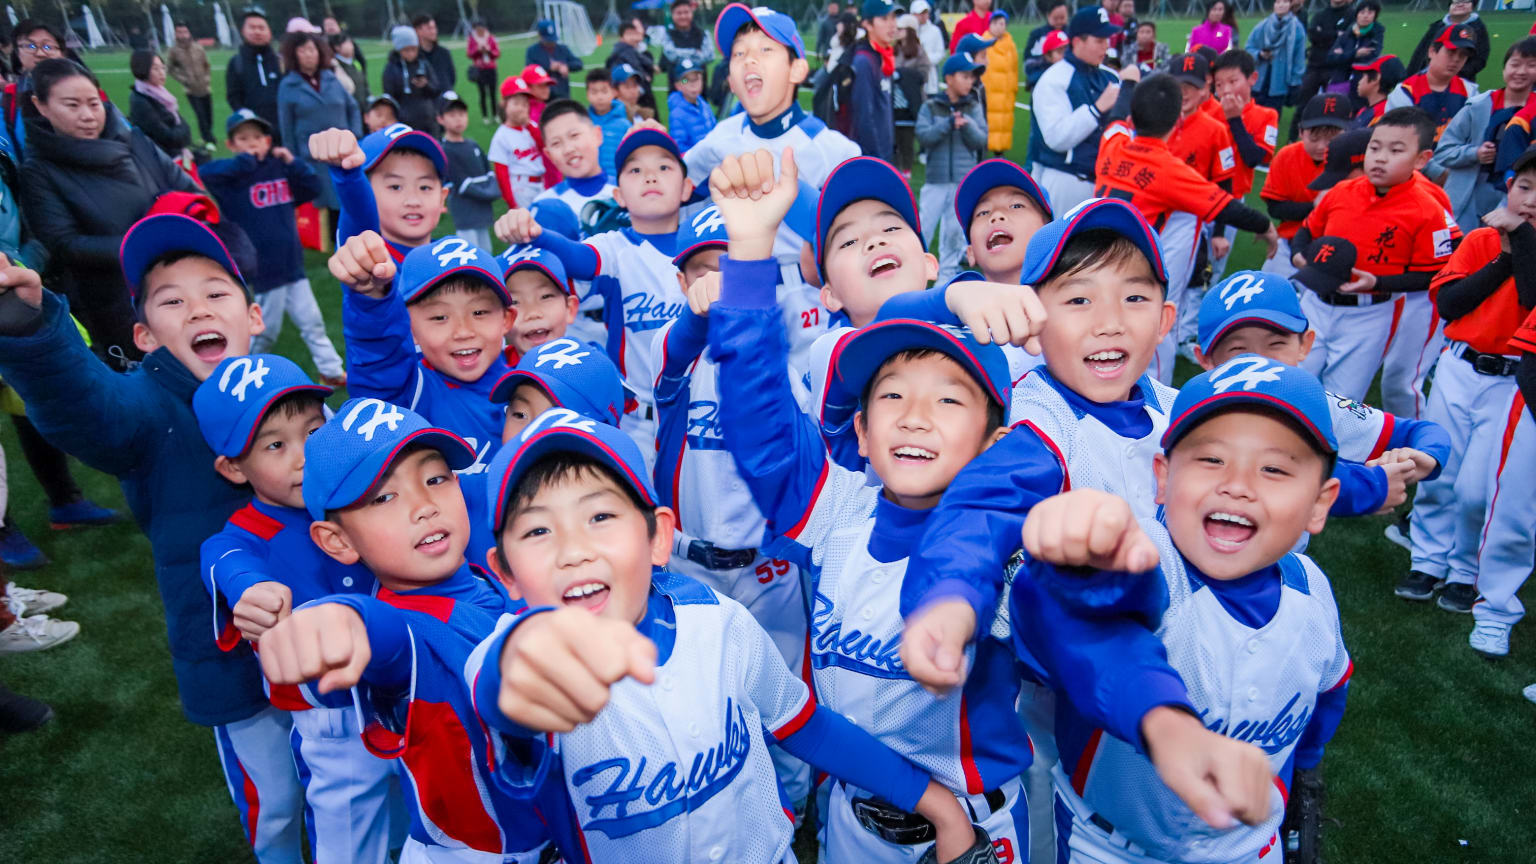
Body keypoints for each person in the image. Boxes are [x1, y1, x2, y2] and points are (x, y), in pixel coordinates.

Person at [0, 212, 308, 859]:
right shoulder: (143, 410)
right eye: (172, 301)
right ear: (144, 335)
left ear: (253, 317)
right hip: (229, 654)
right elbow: (81, 404)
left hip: (318, 630)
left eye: (217, 292)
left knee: (339, 773)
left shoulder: (287, 389)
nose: (198, 308)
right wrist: (29, 327)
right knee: (274, 799)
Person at [1017, 359, 1352, 864]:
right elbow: (1090, 614)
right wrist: (1080, 559)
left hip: (1248, 847)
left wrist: (1304, 775)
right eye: (1211, 460)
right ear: (1163, 476)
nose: (1238, 485)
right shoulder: (1149, 561)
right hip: (1106, 845)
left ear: (1319, 504)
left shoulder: (1314, 591)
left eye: (1275, 469)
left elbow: (1327, 694)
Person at [254, 399, 549, 863]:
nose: (425, 506)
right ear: (338, 542)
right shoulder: (409, 631)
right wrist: (347, 617)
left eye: (435, 479)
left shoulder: (496, 576)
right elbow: (386, 639)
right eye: (384, 497)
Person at [192, 355, 405, 863]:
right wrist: (249, 590)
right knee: (349, 841)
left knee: (415, 820)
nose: (304, 455)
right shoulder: (245, 533)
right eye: (274, 445)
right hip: (331, 716)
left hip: (407, 695)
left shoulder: (358, 492)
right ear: (232, 468)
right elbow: (221, 558)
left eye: (314, 430)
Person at [494, 128, 693, 464]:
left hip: (698, 411)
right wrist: (537, 233)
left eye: (664, 167)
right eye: (635, 170)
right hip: (638, 420)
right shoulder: (615, 247)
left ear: (687, 188)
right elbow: (578, 259)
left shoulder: (705, 249)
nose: (649, 177)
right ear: (618, 195)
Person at [1398, 150, 1536, 616]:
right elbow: (1452, 304)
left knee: (1479, 487)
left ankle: (1465, 568)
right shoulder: (1481, 239)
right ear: (1509, 187)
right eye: (1525, 187)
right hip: (1459, 367)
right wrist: (1505, 254)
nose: (1530, 201)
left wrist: (1523, 247)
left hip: (1512, 380)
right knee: (1439, 470)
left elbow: (1531, 296)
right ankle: (1428, 559)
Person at [1096, 74, 1277, 383]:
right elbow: (1227, 206)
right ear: (1176, 124)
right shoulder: (1168, 169)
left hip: (1099, 256)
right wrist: (1266, 226)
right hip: (1134, 265)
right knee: (1155, 327)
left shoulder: (1112, 142)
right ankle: (1155, 404)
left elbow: (1114, 119)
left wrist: (1127, 84)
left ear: (1131, 119)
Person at [21, 59, 200, 368]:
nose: (88, 116)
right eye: (72, 105)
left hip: (184, 282)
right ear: (41, 106)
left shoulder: (134, 142)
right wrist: (145, 244)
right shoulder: (39, 172)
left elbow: (189, 190)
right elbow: (65, 244)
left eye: (93, 103)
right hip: (118, 304)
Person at [1289, 108, 1459, 406]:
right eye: (1375, 147)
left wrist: (1377, 280)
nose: (1380, 157)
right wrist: (1299, 256)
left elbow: (1432, 274)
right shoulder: (1342, 191)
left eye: (1396, 150)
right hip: (1316, 301)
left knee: (1341, 399)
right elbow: (1306, 232)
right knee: (1291, 381)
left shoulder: (1427, 210)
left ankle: (1327, 451)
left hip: (1370, 312)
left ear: (1422, 159)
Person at [201, 109, 344, 387]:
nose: (252, 143)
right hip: (264, 267)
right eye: (243, 138)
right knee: (266, 331)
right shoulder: (232, 178)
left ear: (268, 141)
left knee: (311, 321)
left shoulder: (279, 168)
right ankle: (237, 373)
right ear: (231, 145)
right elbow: (205, 174)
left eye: (257, 137)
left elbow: (312, 186)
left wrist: (293, 163)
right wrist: (243, 163)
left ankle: (331, 370)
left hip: (292, 262)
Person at [1028, 6, 1127, 215]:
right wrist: (1097, 109)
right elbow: (1056, 138)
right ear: (1077, 42)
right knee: (1061, 246)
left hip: (1106, 182)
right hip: (1068, 181)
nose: (1106, 47)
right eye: (1099, 41)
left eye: (1107, 40)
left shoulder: (1110, 76)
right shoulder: (1053, 79)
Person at [1433, 39, 1536, 233]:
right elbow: (1442, 152)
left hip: (1515, 203)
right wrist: (1474, 153)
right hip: (1466, 199)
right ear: (1504, 69)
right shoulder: (1478, 106)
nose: (1521, 71)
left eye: (1531, 65)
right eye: (1515, 64)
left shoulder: (1534, 113)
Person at [1260, 93, 1351, 275]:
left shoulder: (1355, 162)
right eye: (1314, 138)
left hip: (1334, 249)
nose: (1321, 146)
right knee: (1265, 295)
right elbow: (1275, 208)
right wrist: (1316, 207)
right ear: (1301, 132)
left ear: (1347, 134)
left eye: (1331, 140)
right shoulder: (1287, 155)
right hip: (1288, 242)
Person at [917, 53, 989, 281]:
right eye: (965, 76)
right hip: (935, 181)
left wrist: (965, 126)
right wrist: (948, 124)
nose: (970, 81)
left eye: (972, 77)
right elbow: (923, 135)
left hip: (962, 182)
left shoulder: (973, 107)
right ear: (948, 78)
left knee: (954, 235)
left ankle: (946, 283)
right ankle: (916, 276)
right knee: (923, 232)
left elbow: (981, 139)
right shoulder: (931, 106)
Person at [278, 31, 361, 217]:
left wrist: (355, 134)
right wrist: (292, 161)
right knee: (323, 203)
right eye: (303, 50)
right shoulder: (288, 85)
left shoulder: (331, 78)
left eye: (312, 49)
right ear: (293, 54)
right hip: (312, 157)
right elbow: (287, 126)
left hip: (342, 151)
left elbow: (353, 107)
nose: (309, 54)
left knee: (347, 198)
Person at [1384, 26, 1478, 145]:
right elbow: (1397, 141)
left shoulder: (1470, 92)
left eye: (1463, 55)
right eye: (1451, 52)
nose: (1456, 59)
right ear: (1432, 51)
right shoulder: (1405, 92)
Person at [1292, 0, 1354, 137]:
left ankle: (1330, 140)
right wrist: (1335, 35)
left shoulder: (1352, 15)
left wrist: (1325, 34)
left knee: (1332, 108)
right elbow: (1313, 34)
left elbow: (1347, 38)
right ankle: (1292, 138)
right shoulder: (1320, 14)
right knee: (1303, 105)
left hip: (1337, 69)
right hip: (1315, 66)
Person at [851, 0, 898, 162]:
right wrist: (877, 161)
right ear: (867, 24)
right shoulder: (864, 61)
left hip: (885, 154)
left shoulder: (883, 56)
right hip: (873, 159)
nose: (892, 25)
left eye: (893, 18)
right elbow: (864, 117)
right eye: (885, 19)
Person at [489, 78, 545, 210]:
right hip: (521, 187)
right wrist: (512, 203)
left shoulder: (531, 127)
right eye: (516, 103)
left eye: (525, 104)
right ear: (504, 104)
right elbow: (501, 174)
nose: (521, 108)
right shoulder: (501, 136)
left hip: (540, 183)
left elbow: (543, 145)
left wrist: (530, 125)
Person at [128, 51, 193, 160]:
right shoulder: (141, 101)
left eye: (163, 68)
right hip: (162, 158)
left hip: (174, 153)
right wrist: (183, 133)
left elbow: (181, 124)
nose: (162, 73)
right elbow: (167, 137)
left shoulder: (160, 94)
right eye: (156, 69)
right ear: (143, 69)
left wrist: (182, 132)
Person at [226, 8, 282, 133]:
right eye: (252, 27)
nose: (257, 31)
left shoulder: (280, 61)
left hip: (284, 127)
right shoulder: (236, 63)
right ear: (243, 31)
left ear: (269, 32)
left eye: (261, 28)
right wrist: (248, 118)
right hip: (254, 131)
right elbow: (233, 97)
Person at [1245, 0, 1307, 112]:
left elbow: (1299, 59)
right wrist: (1259, 54)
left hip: (1279, 82)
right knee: (1253, 117)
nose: (1281, 5)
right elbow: (1248, 49)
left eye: (1284, 2)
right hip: (1259, 80)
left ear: (1290, 5)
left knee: (1272, 120)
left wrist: (1295, 82)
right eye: (1278, 2)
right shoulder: (1262, 26)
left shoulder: (1297, 29)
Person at [1407, 0, 1489, 84]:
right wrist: (1410, 76)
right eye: (1456, 2)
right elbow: (1420, 53)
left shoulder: (1476, 29)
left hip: (1457, 82)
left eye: (1465, 2)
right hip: (1426, 78)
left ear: (1472, 6)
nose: (1460, 5)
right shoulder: (1437, 26)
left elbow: (1480, 58)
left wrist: (1455, 76)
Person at [383, 25, 441, 137]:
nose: (411, 53)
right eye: (406, 50)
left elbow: (436, 89)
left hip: (428, 121)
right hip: (405, 122)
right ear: (399, 50)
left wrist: (425, 85)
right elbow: (389, 97)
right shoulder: (392, 68)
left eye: (414, 49)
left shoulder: (424, 64)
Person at [166, 21, 215, 149]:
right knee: (200, 115)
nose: (182, 35)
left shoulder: (198, 48)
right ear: (176, 34)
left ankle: (208, 135)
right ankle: (208, 139)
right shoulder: (174, 51)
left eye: (185, 32)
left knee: (209, 114)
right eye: (179, 32)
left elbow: (206, 64)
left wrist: (207, 78)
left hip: (205, 87)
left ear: (189, 33)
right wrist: (183, 79)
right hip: (190, 90)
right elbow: (169, 69)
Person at [892, 16, 930, 173]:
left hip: (910, 106)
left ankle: (905, 175)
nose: (897, 32)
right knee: (893, 145)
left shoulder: (919, 53)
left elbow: (923, 75)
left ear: (910, 31)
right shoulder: (893, 50)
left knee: (907, 144)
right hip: (893, 105)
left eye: (901, 29)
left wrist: (902, 74)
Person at [656, 0, 715, 91]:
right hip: (678, 85)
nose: (683, 16)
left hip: (699, 86)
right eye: (679, 13)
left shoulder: (702, 33)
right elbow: (671, 55)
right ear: (672, 14)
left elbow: (710, 56)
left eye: (686, 12)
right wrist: (695, 52)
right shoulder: (668, 34)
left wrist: (679, 53)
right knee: (684, 86)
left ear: (692, 13)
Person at [1324, 0, 1383, 89]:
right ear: (1357, 14)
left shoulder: (1375, 35)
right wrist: (1355, 54)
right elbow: (1330, 58)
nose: (1365, 16)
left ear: (1375, 15)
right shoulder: (1347, 34)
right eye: (1362, 12)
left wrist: (1343, 55)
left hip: (1362, 83)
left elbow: (1370, 58)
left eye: (1370, 13)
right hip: (1340, 80)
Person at [981, 12, 1017, 157]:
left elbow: (1014, 69)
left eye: (1003, 24)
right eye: (998, 23)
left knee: (1003, 123)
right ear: (991, 25)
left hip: (1005, 92)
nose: (1001, 27)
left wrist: (1012, 88)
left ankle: (999, 153)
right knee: (986, 123)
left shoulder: (1010, 45)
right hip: (989, 92)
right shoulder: (983, 43)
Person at [608, 16, 658, 116]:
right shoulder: (623, 52)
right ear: (621, 37)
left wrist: (650, 68)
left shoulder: (641, 52)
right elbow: (634, 65)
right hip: (631, 97)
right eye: (629, 34)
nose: (633, 36)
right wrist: (644, 75)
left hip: (644, 97)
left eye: (634, 32)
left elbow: (643, 62)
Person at [585, 68, 629, 179]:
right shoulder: (583, 124)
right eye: (594, 92)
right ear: (587, 94)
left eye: (604, 91)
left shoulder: (624, 125)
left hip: (616, 183)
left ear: (614, 92)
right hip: (589, 182)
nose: (599, 97)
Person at [526, 19, 583, 100]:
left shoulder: (562, 49)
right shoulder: (532, 51)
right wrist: (548, 68)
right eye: (547, 40)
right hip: (542, 97)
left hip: (562, 94)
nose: (551, 43)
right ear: (540, 36)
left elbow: (579, 63)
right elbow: (529, 70)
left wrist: (566, 67)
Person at [667, 58, 716, 152]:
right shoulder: (677, 114)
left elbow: (714, 131)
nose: (693, 84)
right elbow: (679, 146)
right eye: (685, 80)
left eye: (696, 79)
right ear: (678, 86)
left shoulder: (704, 105)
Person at [1351, 54, 1406, 128]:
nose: (1359, 82)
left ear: (1376, 78)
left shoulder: (1383, 113)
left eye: (1363, 76)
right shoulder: (1365, 110)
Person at [1025, 1, 1072, 87]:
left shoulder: (1072, 34)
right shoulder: (1038, 34)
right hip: (1041, 83)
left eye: (1062, 18)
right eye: (1055, 18)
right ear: (1048, 16)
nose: (1059, 21)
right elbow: (1028, 63)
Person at [466, 19, 501, 121]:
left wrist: (489, 50)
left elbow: (497, 53)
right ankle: (485, 116)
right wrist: (478, 50)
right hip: (479, 69)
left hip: (491, 68)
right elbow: (469, 53)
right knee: (482, 94)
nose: (480, 31)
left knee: (493, 93)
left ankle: (495, 114)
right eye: (477, 29)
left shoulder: (491, 38)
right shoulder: (472, 39)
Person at [412, 14, 455, 90]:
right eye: (429, 28)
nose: (434, 31)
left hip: (445, 97)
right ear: (417, 31)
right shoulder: (413, 56)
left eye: (434, 28)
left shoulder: (444, 53)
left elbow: (452, 77)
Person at [329, 32, 368, 114]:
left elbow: (365, 83)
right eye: (348, 43)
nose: (352, 46)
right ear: (337, 47)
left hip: (363, 109)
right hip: (348, 112)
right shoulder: (334, 66)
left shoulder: (355, 62)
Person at [912, 0, 946, 94]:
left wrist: (925, 60)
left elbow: (940, 53)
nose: (923, 16)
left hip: (931, 77)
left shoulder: (935, 31)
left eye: (925, 12)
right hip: (912, 77)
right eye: (920, 13)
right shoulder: (908, 31)